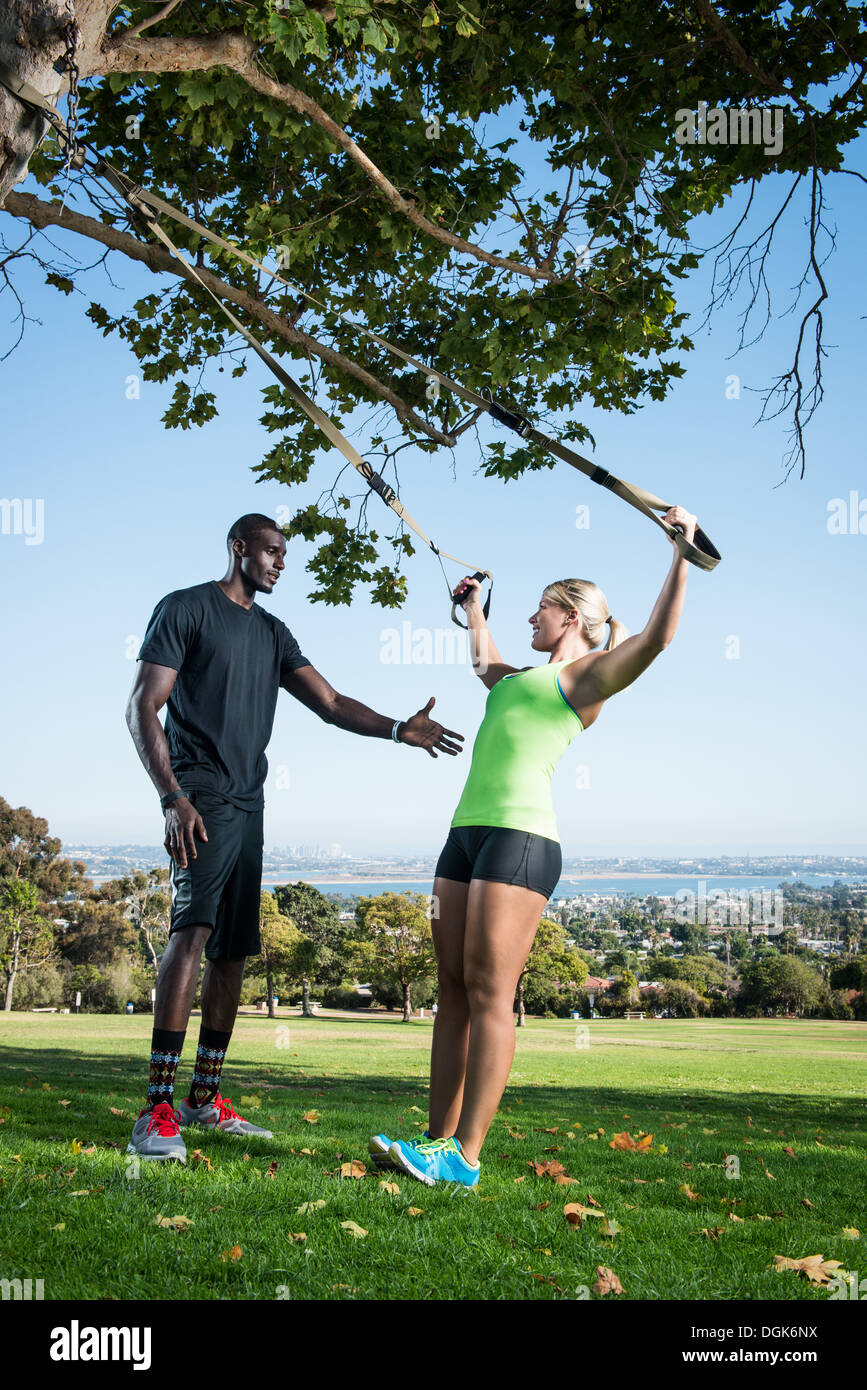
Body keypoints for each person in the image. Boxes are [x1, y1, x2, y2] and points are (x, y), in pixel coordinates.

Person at [371, 506, 698, 1187]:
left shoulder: (586, 679)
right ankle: (431, 1144)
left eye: (539, 611)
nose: (529, 619)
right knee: (453, 990)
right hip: (464, 835)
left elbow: (660, 639)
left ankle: (464, 1156)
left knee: (491, 992)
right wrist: (471, 611)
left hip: (521, 841)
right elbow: (486, 664)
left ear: (571, 617)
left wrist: (679, 550)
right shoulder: (521, 678)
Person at [125, 513, 464, 1163]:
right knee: (190, 934)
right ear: (238, 548)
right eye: (272, 551)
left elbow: (332, 703)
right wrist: (172, 798)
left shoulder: (274, 633)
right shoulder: (185, 609)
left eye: (285, 554)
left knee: (231, 953)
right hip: (200, 795)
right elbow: (142, 705)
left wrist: (399, 729)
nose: (281, 563)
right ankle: (157, 1108)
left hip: (249, 804)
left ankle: (203, 1098)